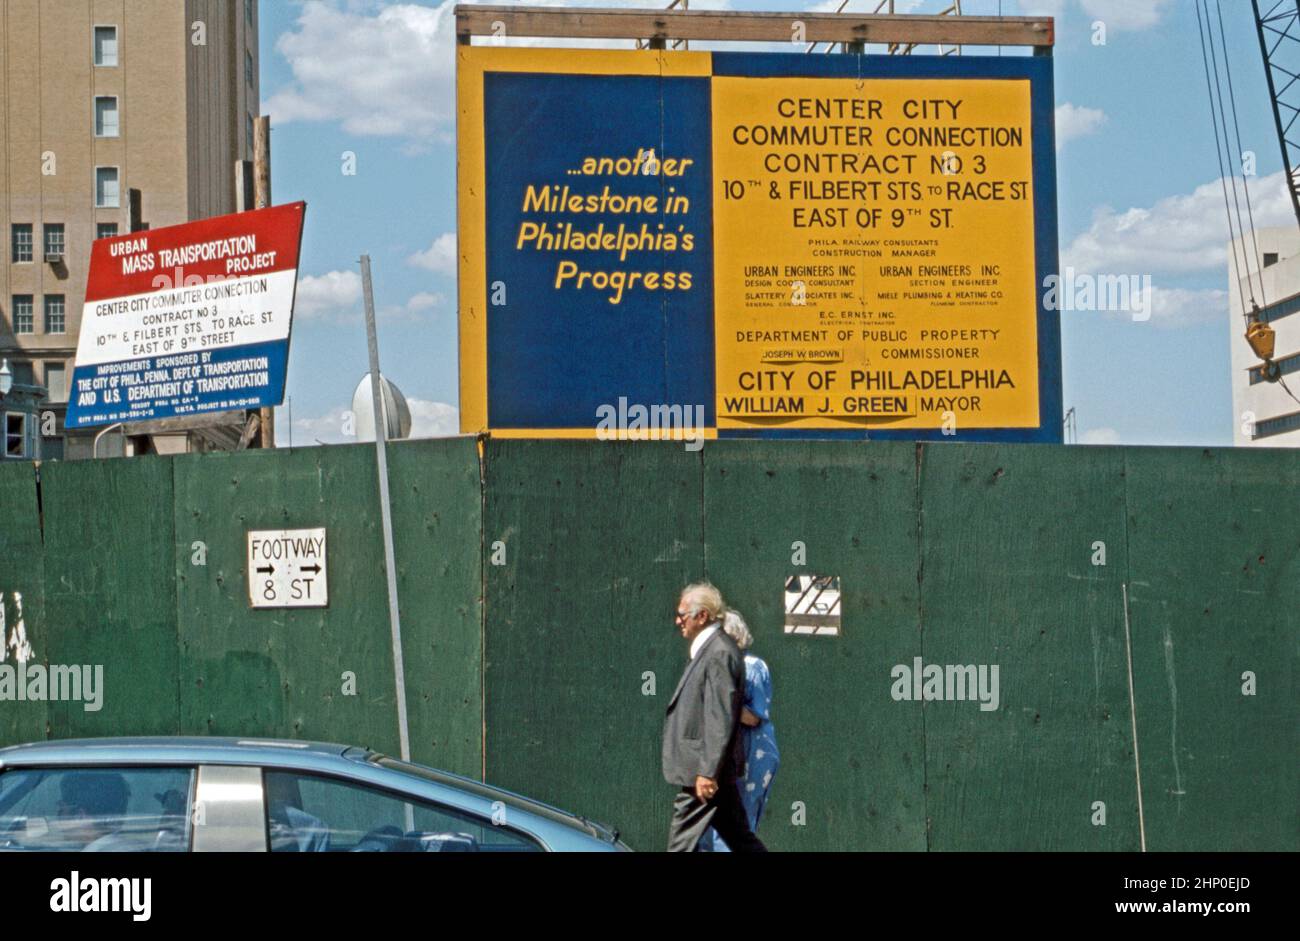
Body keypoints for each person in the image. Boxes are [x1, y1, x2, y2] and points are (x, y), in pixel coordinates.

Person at [662, 582, 767, 852]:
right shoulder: (712, 650)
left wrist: (707, 772)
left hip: (704, 772)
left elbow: (720, 715)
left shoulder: (719, 652)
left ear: (702, 615)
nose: (678, 621)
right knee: (741, 840)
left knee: (680, 845)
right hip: (710, 771)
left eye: (683, 615)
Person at [697, 607, 779, 852]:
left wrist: (721, 706)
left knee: (739, 820)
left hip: (753, 754)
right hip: (729, 755)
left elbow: (753, 716)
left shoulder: (751, 666)